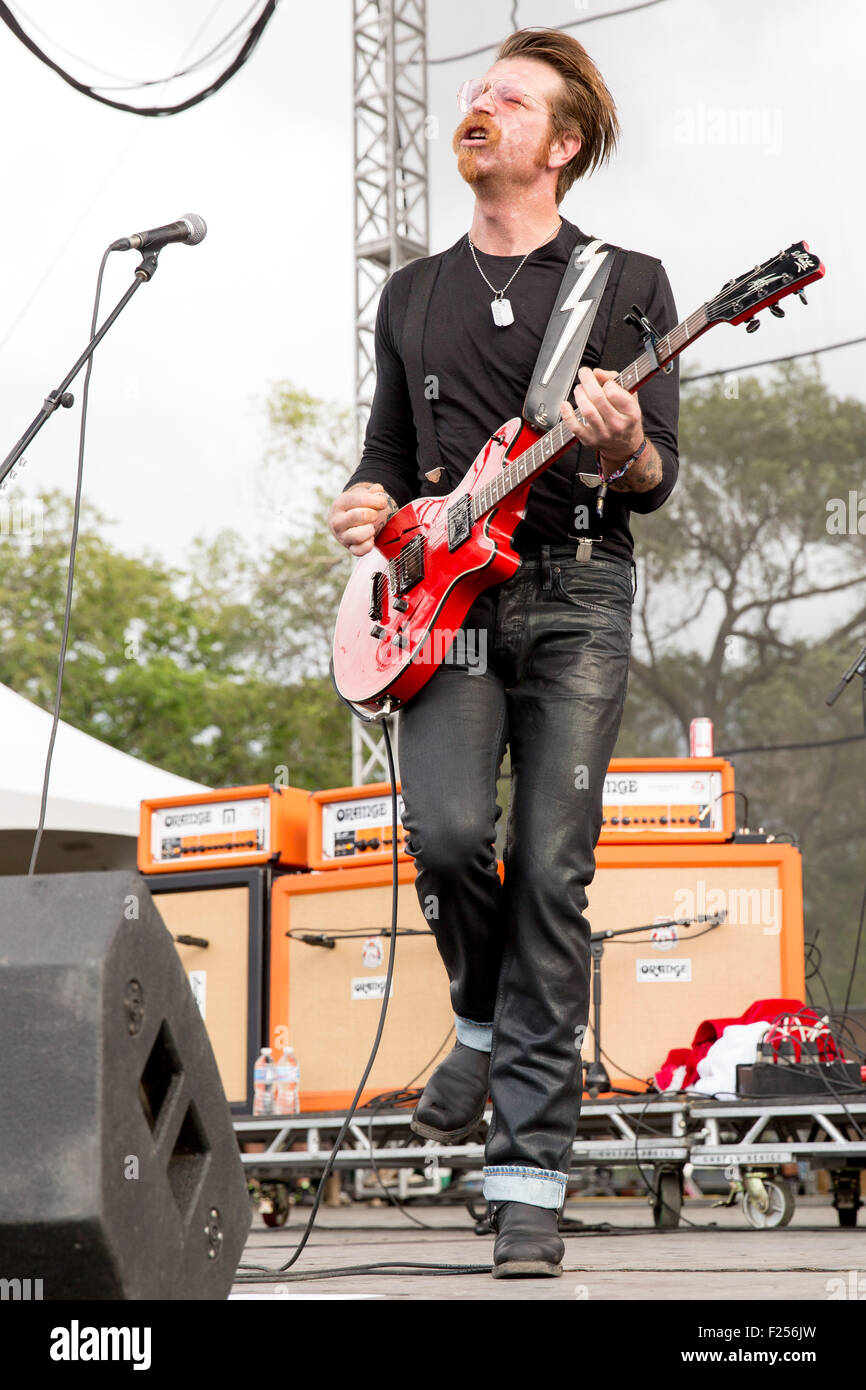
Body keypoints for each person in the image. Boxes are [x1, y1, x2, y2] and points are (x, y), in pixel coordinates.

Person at [328, 27, 679, 1278]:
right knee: (441, 835)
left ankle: (527, 1181)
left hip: (575, 590)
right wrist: (369, 504)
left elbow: (653, 478)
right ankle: (477, 1013)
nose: (476, 109)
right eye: (473, 97)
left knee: (547, 875)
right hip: (444, 602)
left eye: (506, 101)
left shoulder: (623, 279)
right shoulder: (411, 293)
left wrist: (619, 440)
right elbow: (383, 451)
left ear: (562, 142)